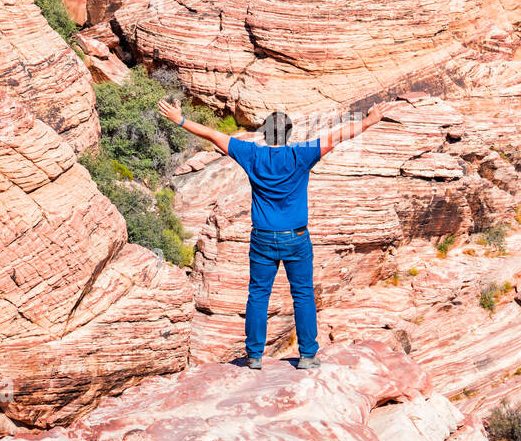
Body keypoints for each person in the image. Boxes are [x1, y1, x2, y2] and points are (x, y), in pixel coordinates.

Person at [156, 98, 396, 370]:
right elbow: (337, 136)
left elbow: (213, 134)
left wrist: (181, 120)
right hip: (296, 237)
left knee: (258, 295)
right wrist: (369, 121)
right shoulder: (301, 154)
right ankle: (307, 355)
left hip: (263, 238)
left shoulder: (252, 155)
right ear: (290, 133)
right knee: (303, 294)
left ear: (265, 135)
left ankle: (255, 356)